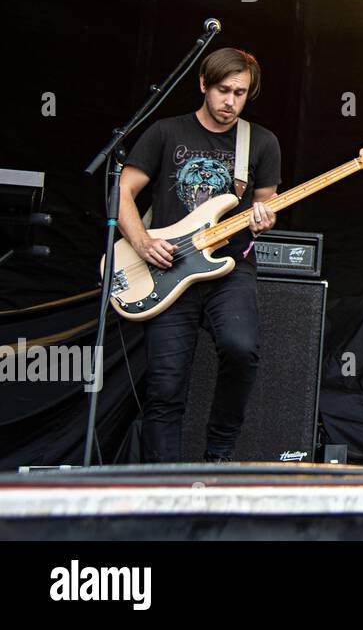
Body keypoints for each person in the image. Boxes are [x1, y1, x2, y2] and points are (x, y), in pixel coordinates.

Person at [118, 47, 281, 463]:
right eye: (223, 90)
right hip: (168, 268)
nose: (231, 101)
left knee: (241, 349)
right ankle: (162, 482)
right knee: (166, 385)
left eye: (240, 93)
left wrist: (264, 220)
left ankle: (219, 455)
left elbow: (267, 206)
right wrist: (142, 243)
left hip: (231, 267)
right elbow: (122, 190)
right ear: (203, 85)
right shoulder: (165, 132)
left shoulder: (260, 142)